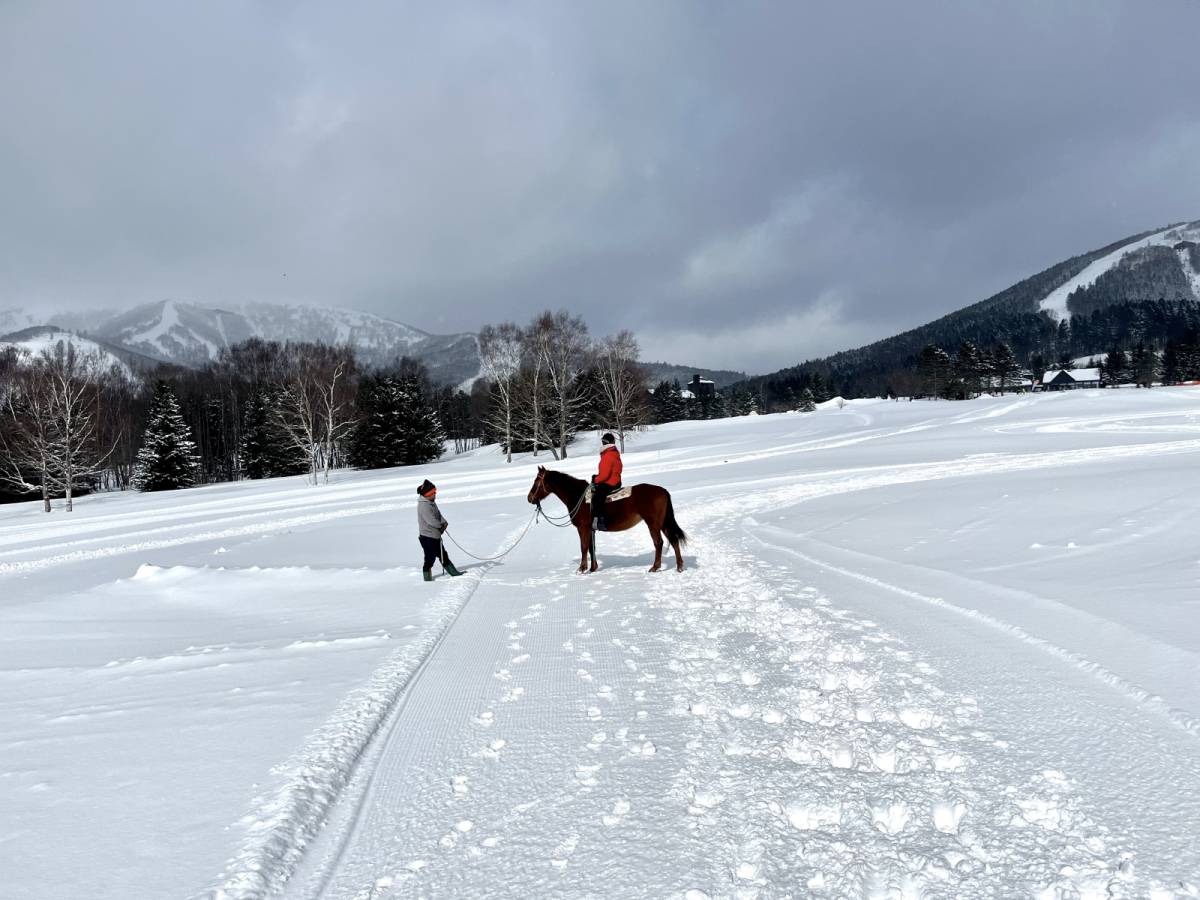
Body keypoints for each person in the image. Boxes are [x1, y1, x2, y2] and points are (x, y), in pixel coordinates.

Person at [417, 479, 463, 581]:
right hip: (427, 537)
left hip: (435, 535)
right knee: (430, 559)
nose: (435, 494)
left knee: (443, 555)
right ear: (428, 494)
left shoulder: (431, 502)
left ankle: (454, 573)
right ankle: (427, 578)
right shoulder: (424, 506)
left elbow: (438, 514)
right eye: (433, 493)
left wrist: (444, 522)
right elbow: (431, 521)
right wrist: (440, 526)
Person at [591, 432, 623, 531]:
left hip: (610, 482)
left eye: (603, 442)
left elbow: (604, 475)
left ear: (605, 443)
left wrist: (595, 480)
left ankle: (601, 521)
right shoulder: (613, 452)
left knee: (596, 497)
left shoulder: (608, 455)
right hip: (615, 479)